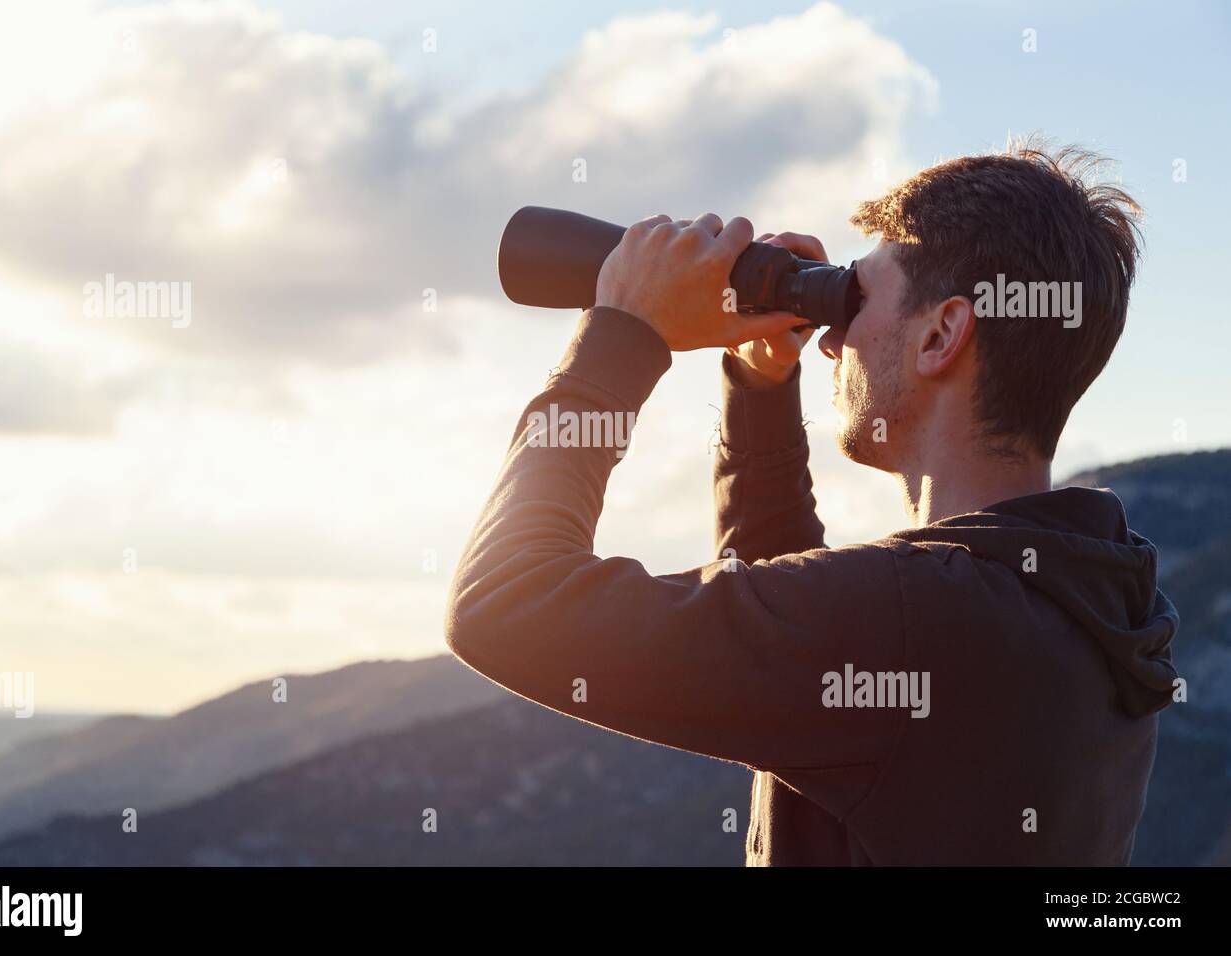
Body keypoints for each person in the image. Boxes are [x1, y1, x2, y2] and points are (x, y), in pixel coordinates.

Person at [444, 141, 1179, 865]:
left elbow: (505, 604)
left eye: (855, 295)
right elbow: (795, 635)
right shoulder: (1085, 605)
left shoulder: (922, 613)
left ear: (942, 335)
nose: (833, 342)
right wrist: (760, 384)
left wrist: (622, 333)